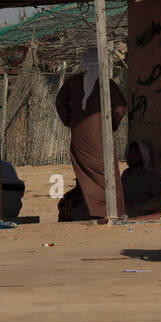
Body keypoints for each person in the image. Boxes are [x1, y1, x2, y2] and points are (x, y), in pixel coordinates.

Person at [55, 47, 128, 219]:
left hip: (79, 139)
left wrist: (71, 121)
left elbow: (60, 102)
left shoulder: (73, 82)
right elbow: (120, 108)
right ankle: (112, 212)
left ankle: (94, 212)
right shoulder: (106, 83)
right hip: (99, 138)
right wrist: (111, 126)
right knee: (109, 175)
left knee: (87, 178)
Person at [121, 139, 161, 216]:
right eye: (131, 152)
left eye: (136, 153)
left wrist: (138, 207)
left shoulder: (149, 176)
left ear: (143, 156)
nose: (132, 156)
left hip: (143, 215)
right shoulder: (125, 174)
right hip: (127, 215)